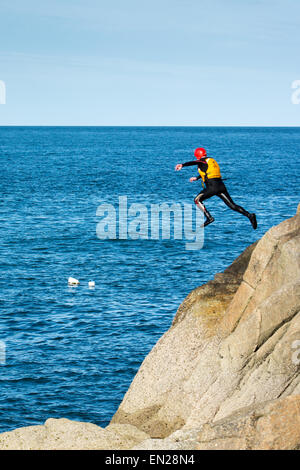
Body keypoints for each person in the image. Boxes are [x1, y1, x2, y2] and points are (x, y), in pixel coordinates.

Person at [175, 147, 257, 229]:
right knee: (232, 205)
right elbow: (208, 171)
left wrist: (182, 165)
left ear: (197, 156)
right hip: (221, 186)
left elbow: (193, 162)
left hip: (212, 187)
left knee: (197, 200)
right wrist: (197, 178)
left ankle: (209, 218)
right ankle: (249, 215)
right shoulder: (210, 161)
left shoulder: (201, 161)